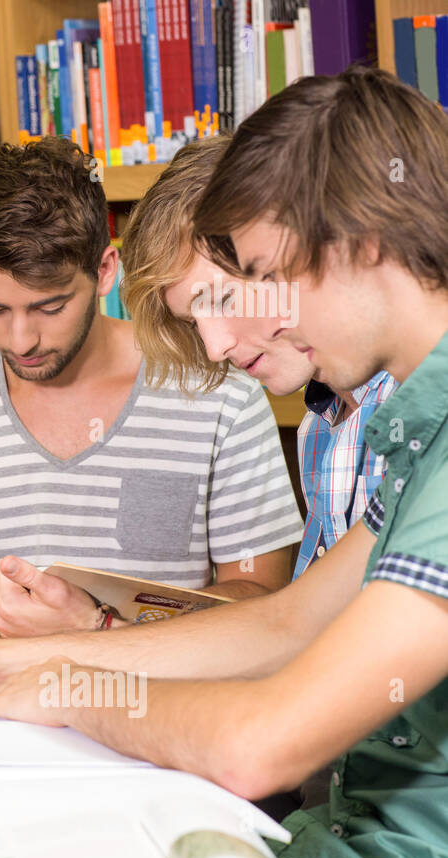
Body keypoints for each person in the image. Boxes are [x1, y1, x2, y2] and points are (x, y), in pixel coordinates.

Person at [0, 65, 448, 858]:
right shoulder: (420, 436)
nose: (236, 336)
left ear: (361, 241)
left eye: (266, 277)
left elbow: (258, 746)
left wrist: (68, 690)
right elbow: (287, 624)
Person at [0, 135, 302, 636]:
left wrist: (99, 626)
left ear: (105, 270)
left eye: (49, 307)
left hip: (166, 699)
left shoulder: (221, 392)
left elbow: (260, 603)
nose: (20, 339)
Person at [122, 135, 395, 583]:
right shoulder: (318, 431)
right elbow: (304, 624)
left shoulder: (416, 413)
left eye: (225, 299)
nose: (214, 349)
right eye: (193, 322)